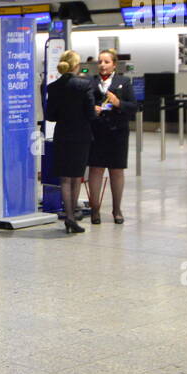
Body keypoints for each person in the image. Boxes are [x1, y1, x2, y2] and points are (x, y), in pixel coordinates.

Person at [45, 51, 97, 234]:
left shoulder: (53, 87)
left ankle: (68, 216)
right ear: (76, 65)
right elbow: (91, 114)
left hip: (62, 135)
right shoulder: (84, 85)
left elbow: (50, 116)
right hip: (81, 135)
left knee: (65, 179)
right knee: (76, 177)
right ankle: (73, 216)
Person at [86, 48, 137, 225]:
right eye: (100, 62)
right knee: (96, 169)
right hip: (97, 131)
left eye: (106, 62)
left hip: (117, 132)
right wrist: (91, 109)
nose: (102, 65)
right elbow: (84, 104)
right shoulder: (90, 82)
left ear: (114, 64)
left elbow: (133, 107)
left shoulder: (124, 82)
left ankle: (117, 209)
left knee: (116, 171)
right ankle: (95, 209)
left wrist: (118, 103)